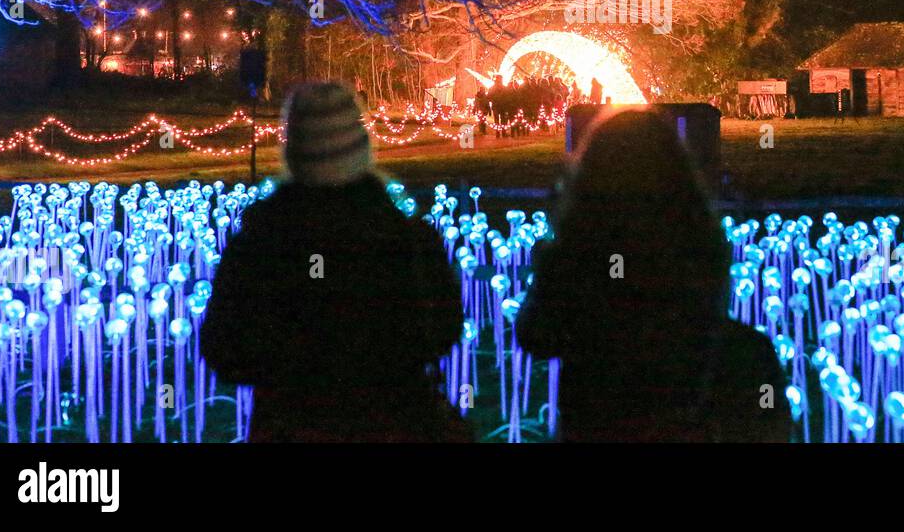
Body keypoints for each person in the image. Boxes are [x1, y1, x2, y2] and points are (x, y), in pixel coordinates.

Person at [200, 81, 466, 442]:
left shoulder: (261, 246)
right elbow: (442, 330)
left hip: (290, 427)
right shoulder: (407, 241)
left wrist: (291, 368)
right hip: (392, 424)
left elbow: (225, 349)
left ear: (292, 152)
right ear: (361, 149)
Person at [518, 108, 789, 442]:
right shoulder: (696, 239)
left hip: (597, 424)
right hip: (680, 418)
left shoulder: (579, 251)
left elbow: (537, 336)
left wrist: (549, 260)